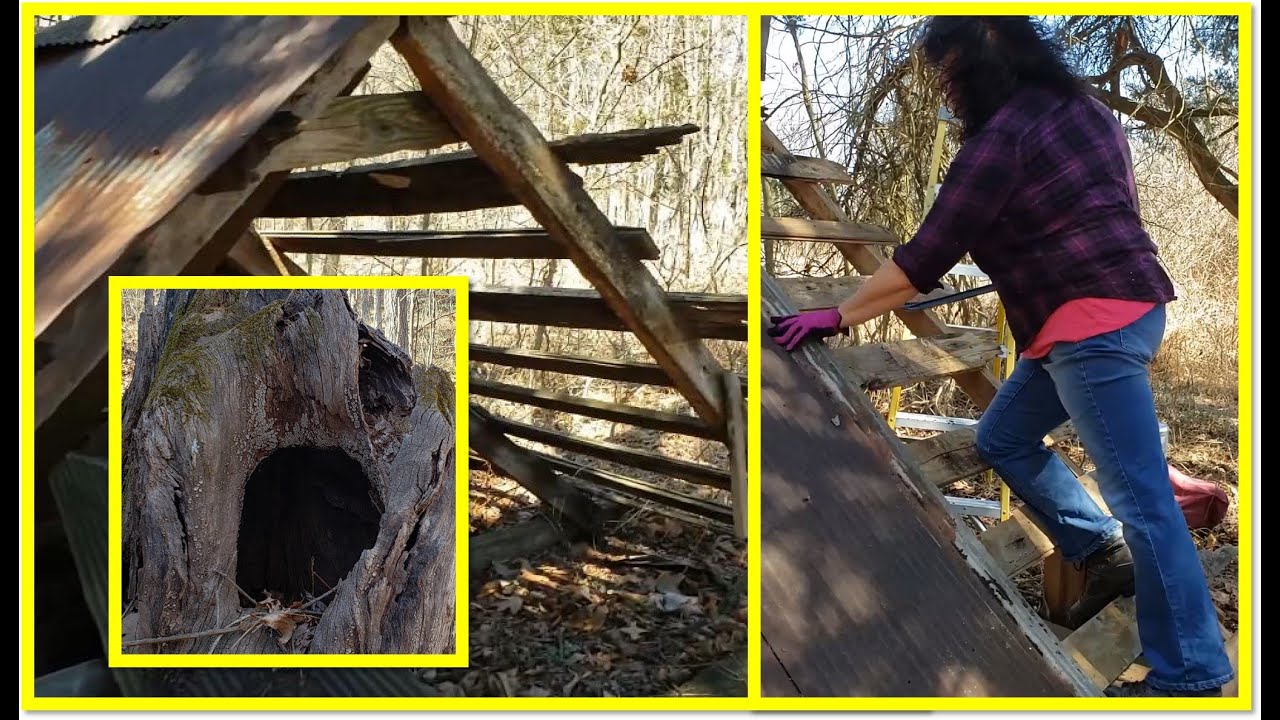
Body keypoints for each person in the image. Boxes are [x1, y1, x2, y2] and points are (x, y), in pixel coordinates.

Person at [768, 16, 1231, 698]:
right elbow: (1109, 209)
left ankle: (1191, 671)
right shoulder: (1089, 113)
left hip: (1090, 328)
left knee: (1146, 505)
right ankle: (1095, 545)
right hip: (1113, 314)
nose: (946, 93)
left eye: (950, 75)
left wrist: (835, 314)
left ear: (981, 67)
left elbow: (923, 260)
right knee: (1003, 437)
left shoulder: (1001, 141)